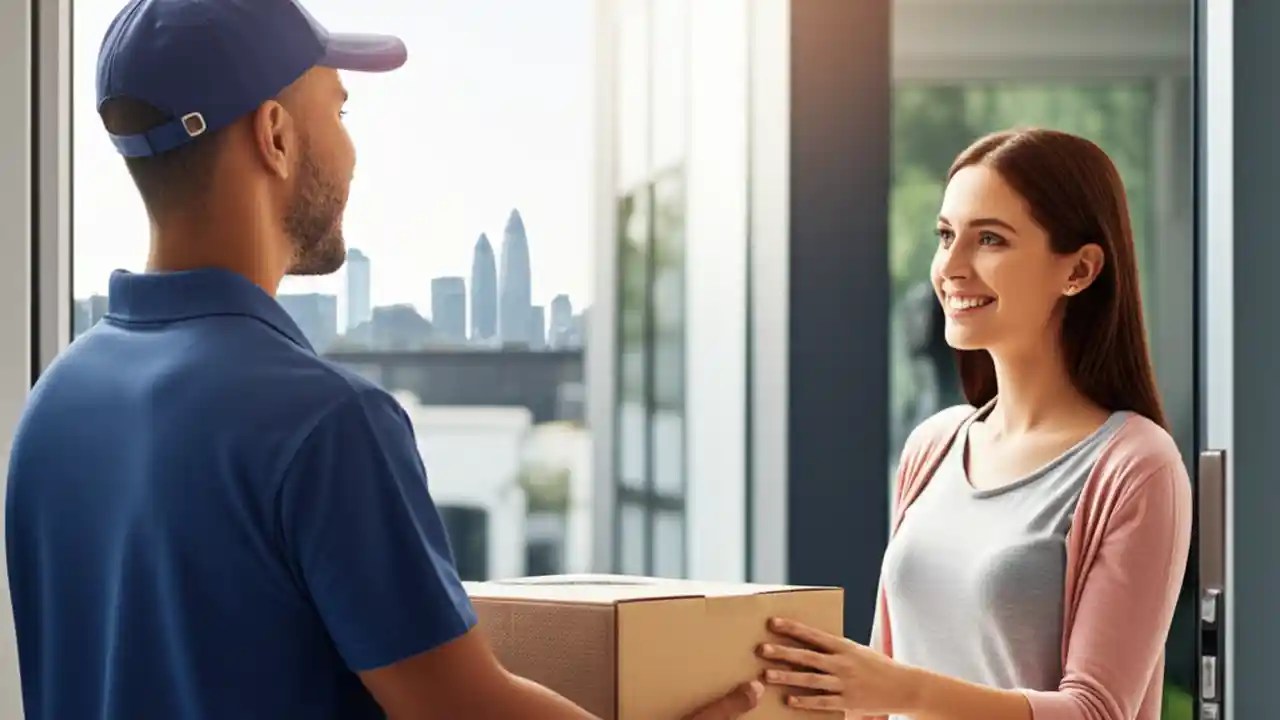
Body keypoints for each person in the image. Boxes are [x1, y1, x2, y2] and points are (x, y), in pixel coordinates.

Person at [3, 1, 763, 718]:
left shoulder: (56, 404)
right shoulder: (322, 423)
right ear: (274, 134)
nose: (352, 152)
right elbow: (463, 711)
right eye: (338, 110)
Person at [756, 128, 1192, 719]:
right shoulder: (933, 446)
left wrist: (900, 690)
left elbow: (1096, 711)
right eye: (945, 236)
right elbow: (876, 683)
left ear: (1081, 269)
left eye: (990, 239)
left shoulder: (1136, 464)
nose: (951, 267)